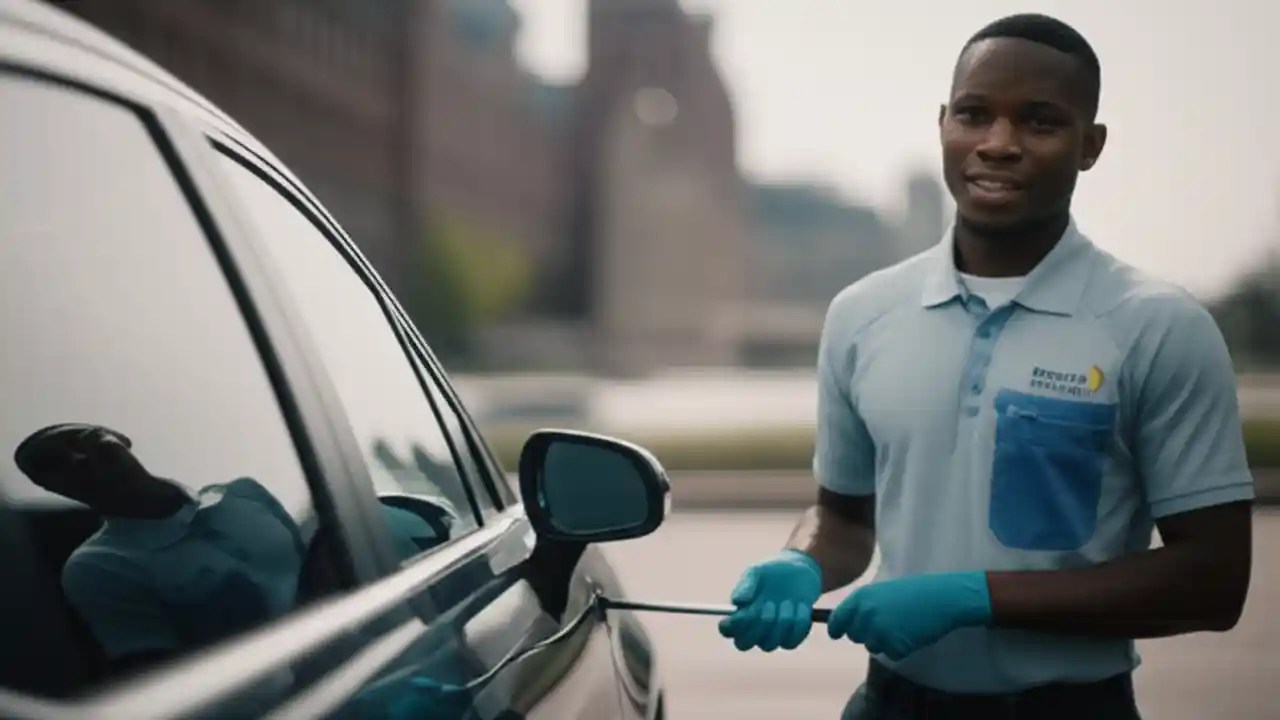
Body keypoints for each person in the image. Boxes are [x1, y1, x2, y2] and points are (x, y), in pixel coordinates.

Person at [718, 13, 1254, 720]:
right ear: (943, 124)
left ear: (1090, 146)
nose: (998, 144)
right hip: (888, 705)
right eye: (974, 114)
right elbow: (843, 517)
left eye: (1039, 122)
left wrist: (976, 598)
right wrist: (803, 562)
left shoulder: (1157, 326)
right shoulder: (862, 314)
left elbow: (1213, 583)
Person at [13, 423, 306, 672]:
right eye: (53, 464)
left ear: (122, 438)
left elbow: (322, 562)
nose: (77, 457)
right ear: (54, 489)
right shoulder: (98, 565)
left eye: (84, 438)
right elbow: (157, 670)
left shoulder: (245, 494)